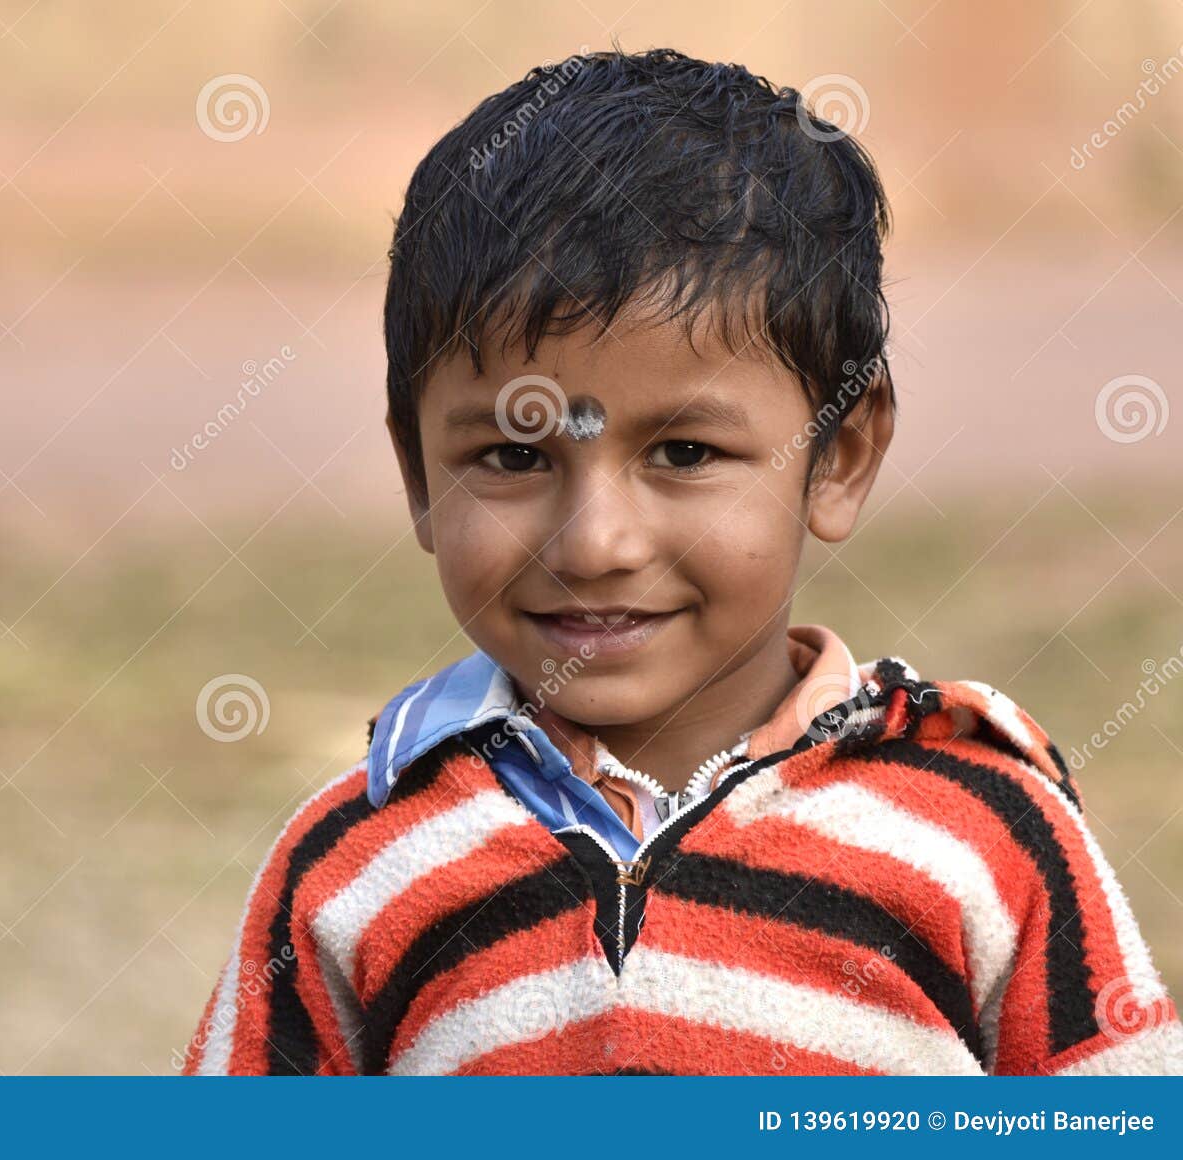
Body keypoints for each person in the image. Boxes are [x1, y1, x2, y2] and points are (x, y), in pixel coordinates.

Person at [183, 47, 1180, 1075]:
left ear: (836, 455)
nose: (595, 543)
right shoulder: (351, 867)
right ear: (418, 472)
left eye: (686, 453)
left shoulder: (982, 835)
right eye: (513, 456)